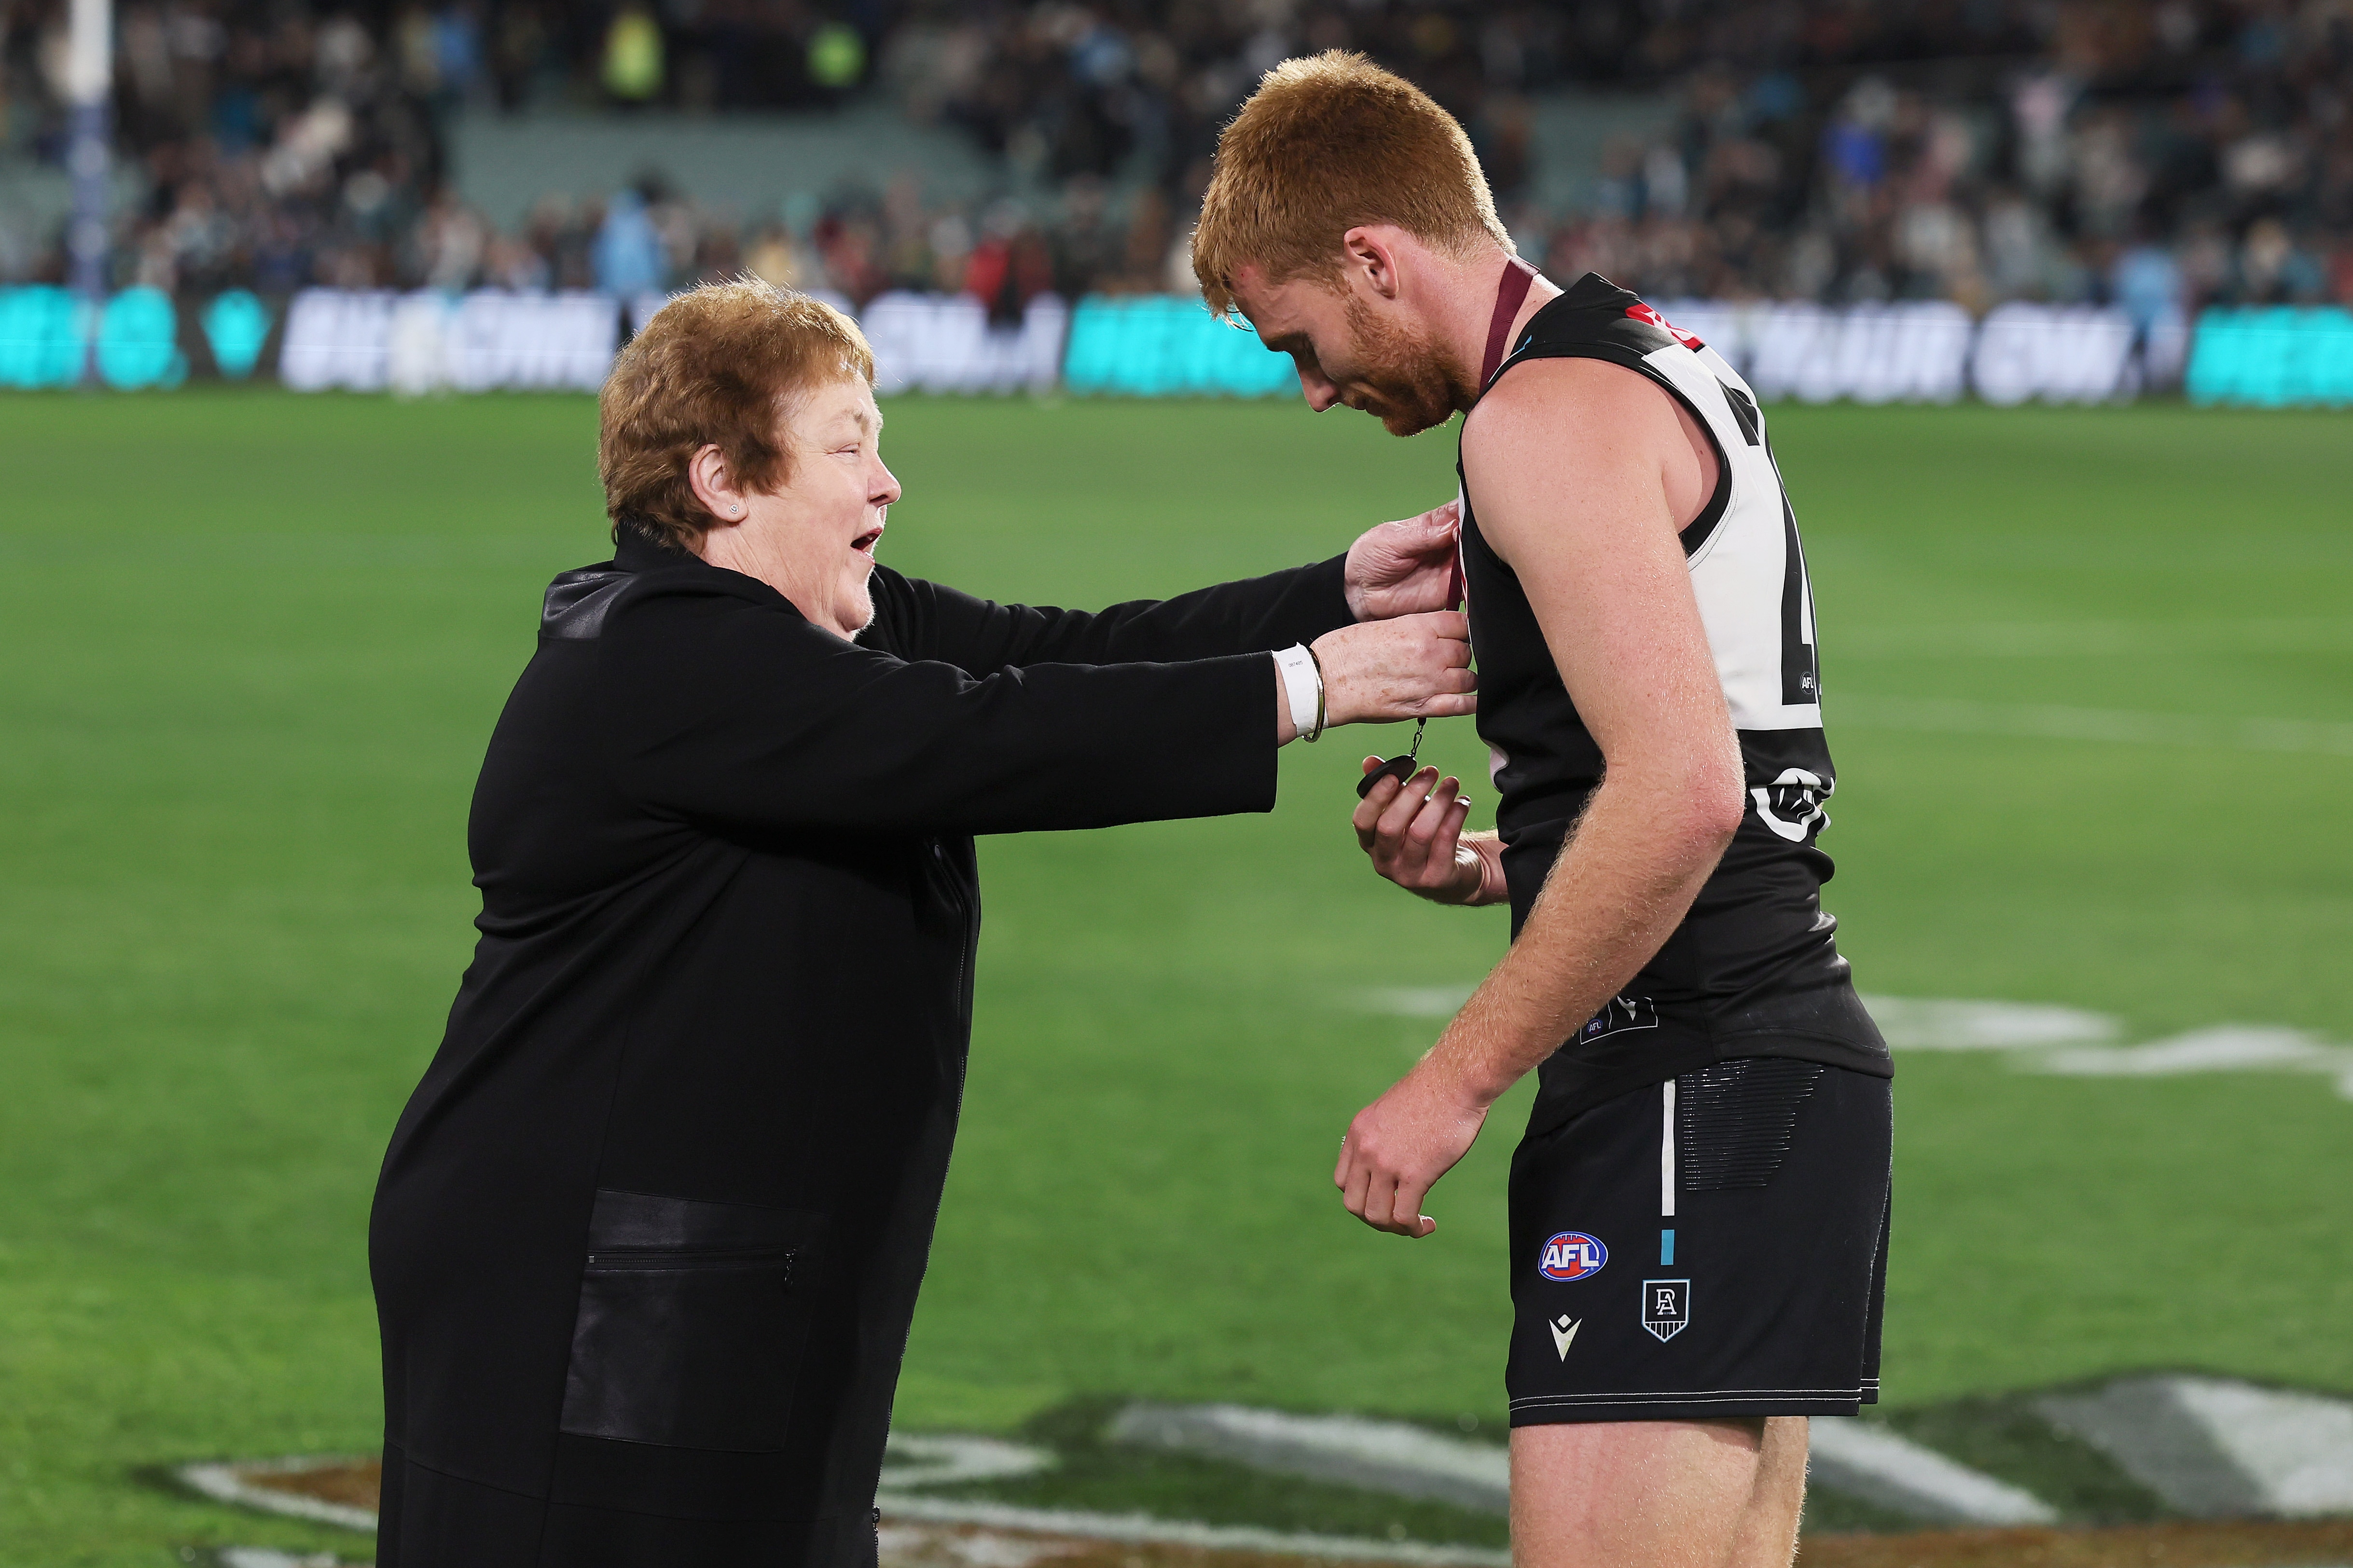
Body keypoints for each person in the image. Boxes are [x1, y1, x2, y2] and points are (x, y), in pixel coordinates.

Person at [367, 279, 1474, 1567]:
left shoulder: (782, 635)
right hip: (585, 1294)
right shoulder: (666, 659)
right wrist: (1308, 686)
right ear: (723, 480)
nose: (886, 484)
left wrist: (1336, 595)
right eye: (848, 446)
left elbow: (1067, 656)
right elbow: (981, 739)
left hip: (684, 1271)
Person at [1190, 54, 1894, 1568]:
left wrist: (1449, 1079)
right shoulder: (1643, 355)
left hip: (1683, 1076)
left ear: (1373, 256)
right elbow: (1734, 772)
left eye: (1299, 339)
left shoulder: (1541, 418)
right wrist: (1497, 873)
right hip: (1749, 1061)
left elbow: (1689, 791)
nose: (1313, 388)